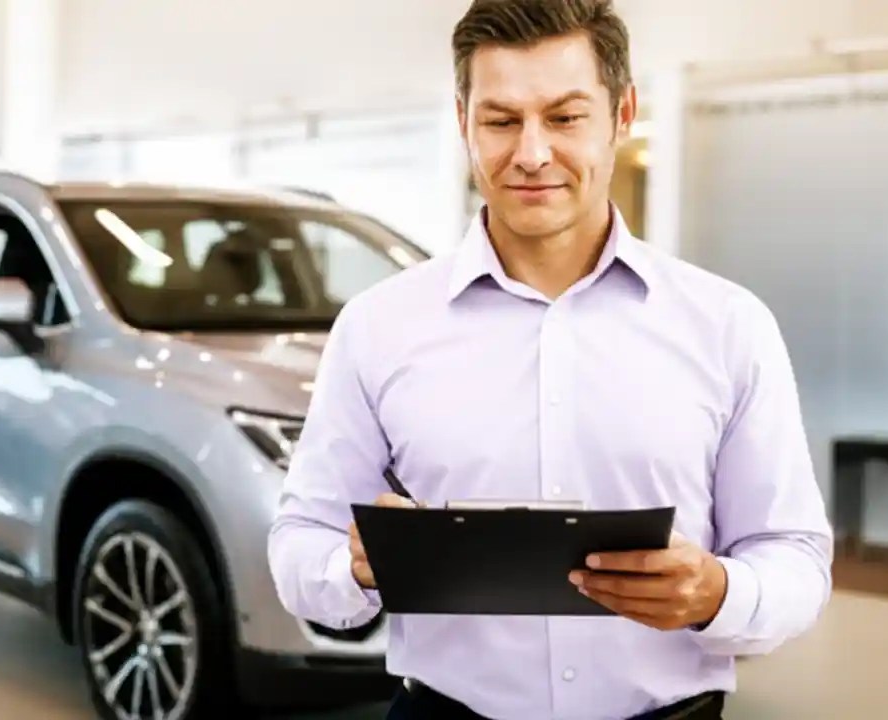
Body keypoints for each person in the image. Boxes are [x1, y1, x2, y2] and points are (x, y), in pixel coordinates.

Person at [267, 0, 833, 718]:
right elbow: (299, 544)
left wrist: (719, 593)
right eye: (501, 121)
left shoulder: (728, 326)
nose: (531, 154)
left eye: (565, 118)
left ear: (622, 113)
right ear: (463, 119)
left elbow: (795, 558)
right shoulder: (377, 328)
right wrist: (349, 572)